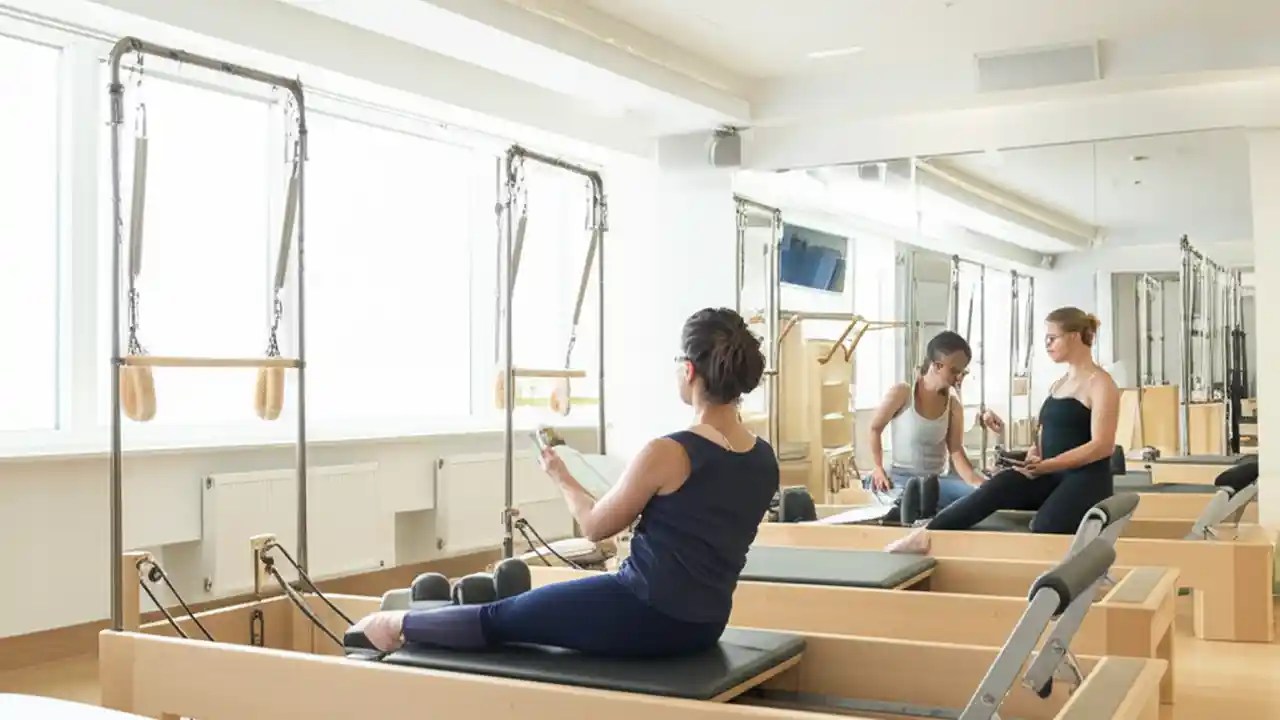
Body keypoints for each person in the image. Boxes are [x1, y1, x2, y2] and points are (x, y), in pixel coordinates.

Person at [352, 307, 779, 658]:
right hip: (705, 625)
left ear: (688, 370)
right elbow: (703, 524)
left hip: (643, 612)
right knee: (528, 612)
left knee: (500, 617)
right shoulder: (763, 459)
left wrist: (561, 477)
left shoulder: (669, 452)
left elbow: (594, 526)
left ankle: (392, 625)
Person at [887, 307, 1119, 552]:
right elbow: (1046, 433)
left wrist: (1049, 464)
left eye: (1052, 338)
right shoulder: (1059, 383)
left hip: (1085, 480)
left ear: (1073, 336)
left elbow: (1102, 446)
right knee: (999, 485)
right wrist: (1034, 453)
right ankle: (926, 534)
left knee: (1045, 526)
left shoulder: (1100, 383)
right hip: (1050, 474)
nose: (1047, 345)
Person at [864, 331, 1004, 511]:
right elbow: (875, 428)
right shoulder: (903, 393)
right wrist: (877, 467)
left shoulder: (953, 405)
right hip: (900, 479)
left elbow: (955, 450)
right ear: (936, 366)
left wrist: (979, 484)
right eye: (954, 371)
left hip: (934, 482)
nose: (959, 377)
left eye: (962, 371)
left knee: (981, 498)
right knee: (907, 501)